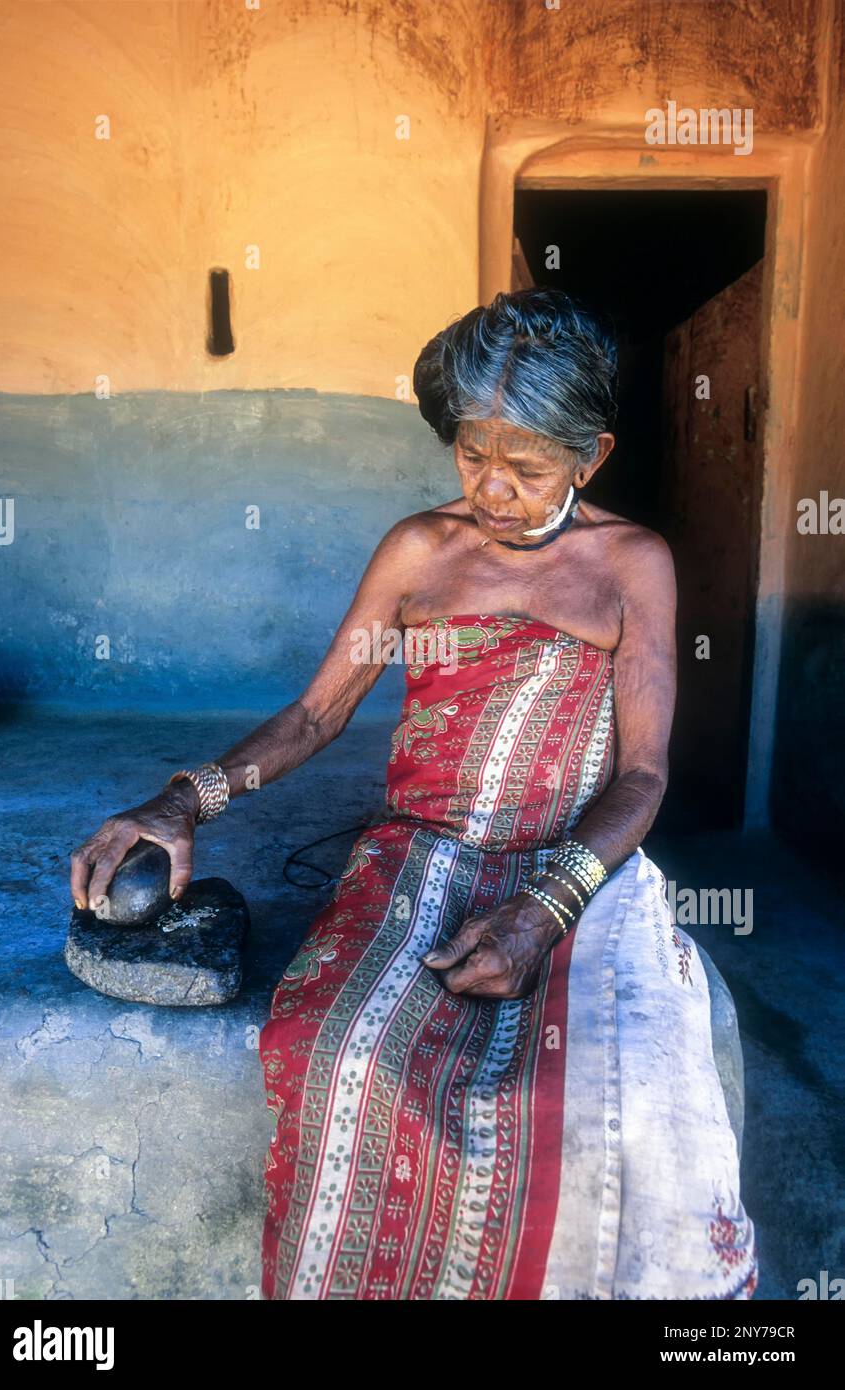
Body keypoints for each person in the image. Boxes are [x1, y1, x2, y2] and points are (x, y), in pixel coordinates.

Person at [70, 288, 757, 1300]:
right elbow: (315, 715)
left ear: (593, 457)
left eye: (526, 469)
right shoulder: (418, 551)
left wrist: (543, 909)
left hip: (579, 871)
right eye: (472, 456)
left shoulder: (631, 566)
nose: (492, 489)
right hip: (424, 853)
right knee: (335, 1055)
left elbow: (643, 773)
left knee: (633, 1093)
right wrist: (186, 800)